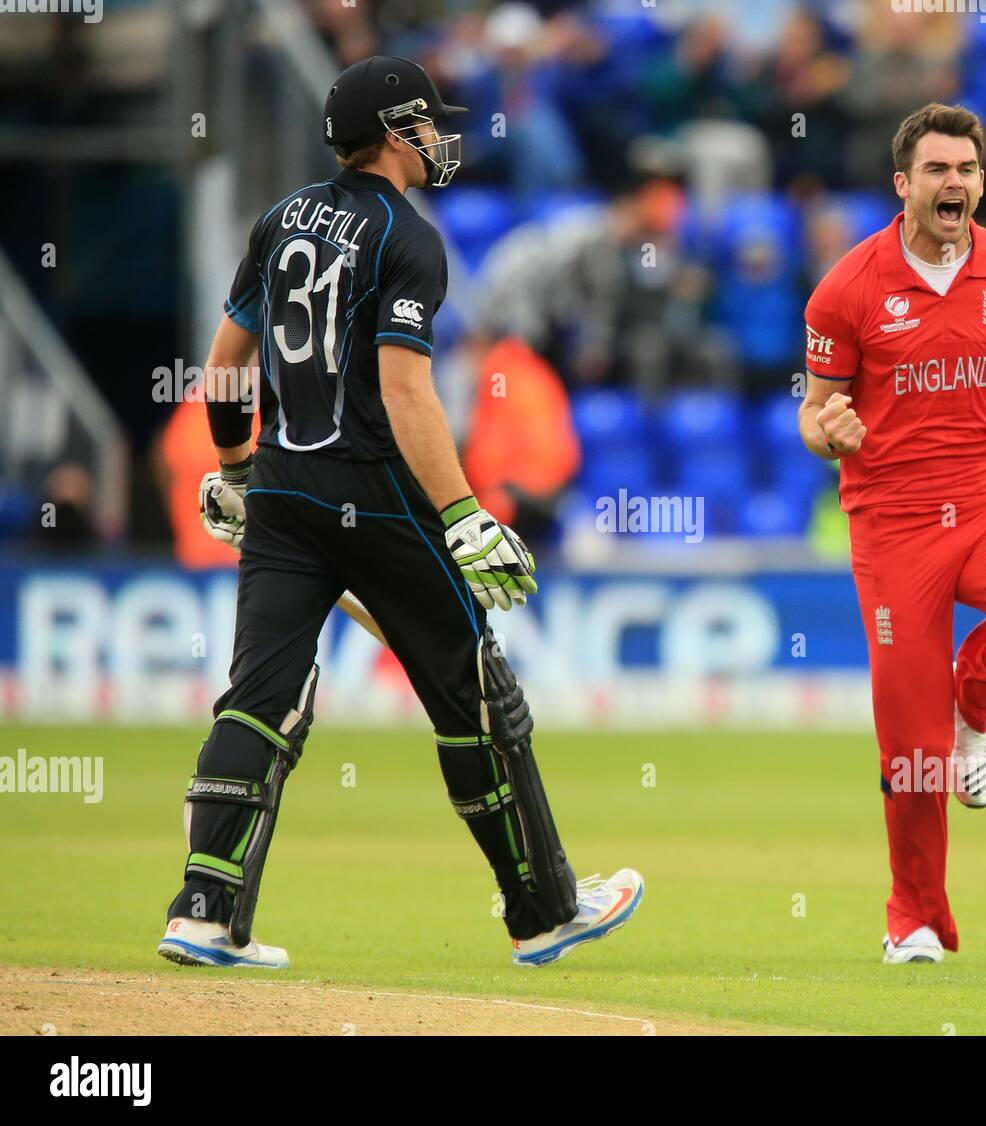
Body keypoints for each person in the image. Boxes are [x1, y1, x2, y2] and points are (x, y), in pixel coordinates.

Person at [156, 55, 642, 972]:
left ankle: (203, 910)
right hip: (376, 495)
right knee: (475, 696)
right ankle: (543, 912)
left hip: (284, 492)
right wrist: (461, 513)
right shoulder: (408, 235)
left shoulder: (281, 217)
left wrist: (232, 466)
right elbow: (405, 389)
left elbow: (224, 361)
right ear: (391, 131)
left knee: (260, 698)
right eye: (425, 120)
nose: (438, 136)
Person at [799, 103, 986, 964]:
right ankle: (916, 919)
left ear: (980, 180)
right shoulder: (848, 287)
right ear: (904, 185)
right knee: (913, 747)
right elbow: (813, 413)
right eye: (936, 170)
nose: (954, 184)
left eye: (966, 170)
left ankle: (979, 701)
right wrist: (832, 434)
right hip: (893, 522)